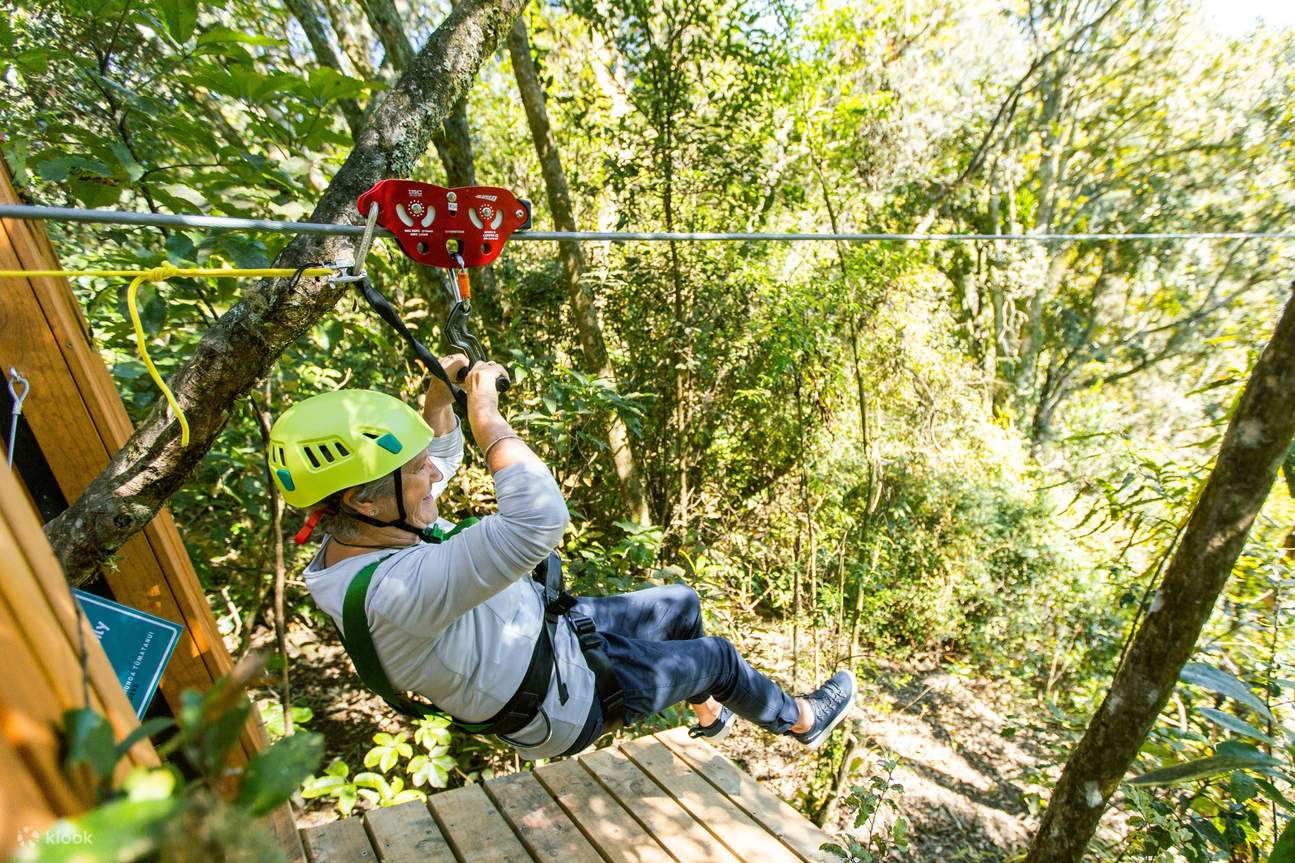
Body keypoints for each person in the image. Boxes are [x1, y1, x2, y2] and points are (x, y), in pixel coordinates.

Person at [268, 354, 856, 760]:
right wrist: (487, 420)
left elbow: (436, 462)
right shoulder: (393, 592)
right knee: (718, 659)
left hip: (547, 635)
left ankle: (709, 712)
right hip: (563, 699)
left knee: (681, 603)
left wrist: (434, 403)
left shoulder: (367, 530)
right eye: (414, 471)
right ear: (362, 500)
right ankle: (803, 720)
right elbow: (538, 520)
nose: (433, 475)